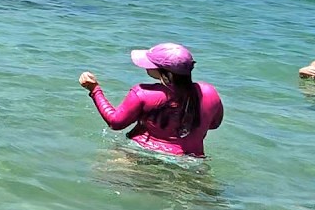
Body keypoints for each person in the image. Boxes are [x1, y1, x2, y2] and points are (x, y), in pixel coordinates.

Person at [78, 43, 224, 157]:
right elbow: (214, 124)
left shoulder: (142, 93)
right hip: (191, 160)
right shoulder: (210, 92)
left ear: (164, 71)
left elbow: (115, 123)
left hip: (142, 153)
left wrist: (95, 90)